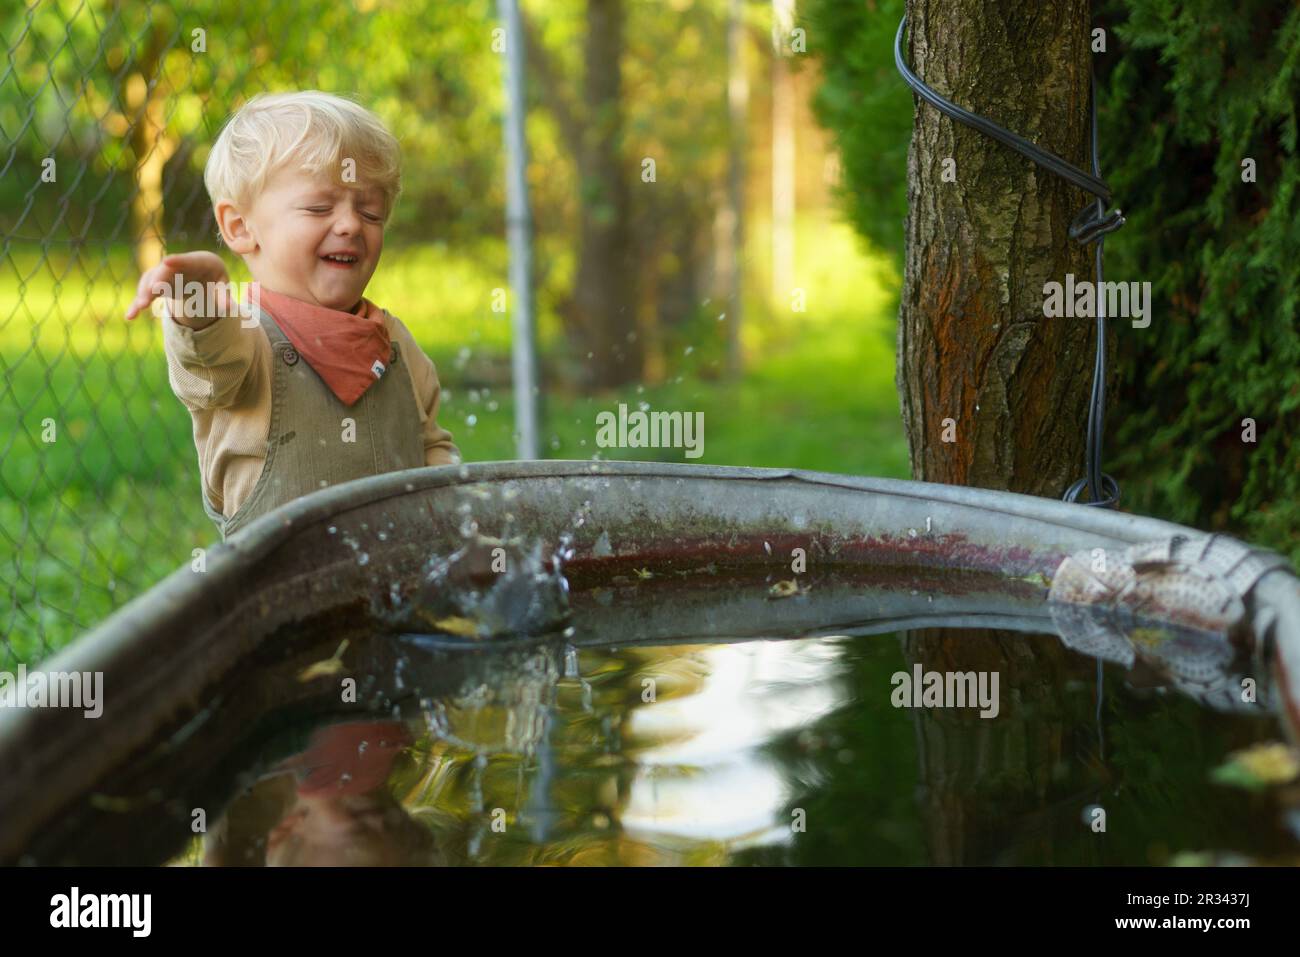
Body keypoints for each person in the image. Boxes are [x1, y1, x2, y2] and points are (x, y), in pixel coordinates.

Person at [124, 91, 459, 539]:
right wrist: (198, 301)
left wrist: (459, 524)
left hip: (397, 584)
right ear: (241, 227)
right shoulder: (245, 336)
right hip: (281, 592)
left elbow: (430, 446)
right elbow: (207, 364)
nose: (350, 225)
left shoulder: (395, 342)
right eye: (319, 207)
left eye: (370, 211)